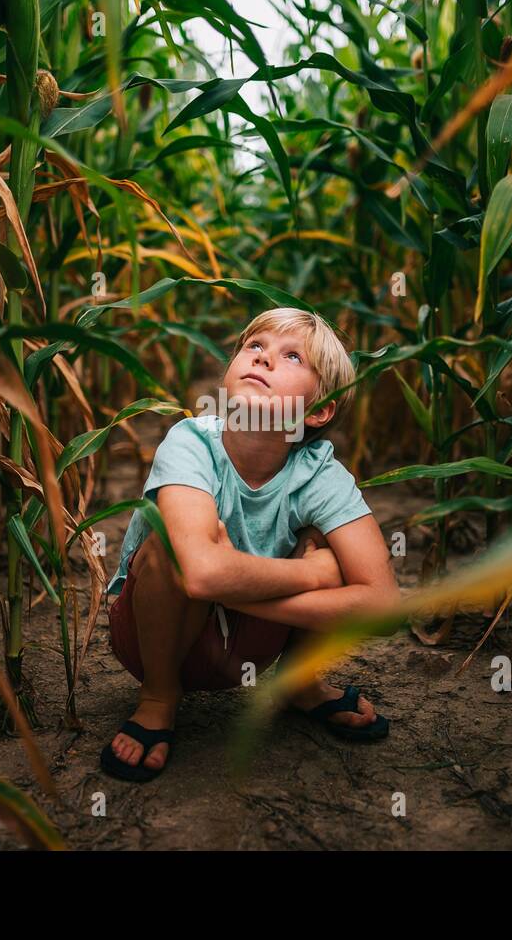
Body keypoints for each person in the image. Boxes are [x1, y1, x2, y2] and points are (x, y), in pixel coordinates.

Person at [100, 306, 402, 782]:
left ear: (319, 411)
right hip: (154, 640)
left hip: (250, 649)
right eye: (254, 346)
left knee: (329, 539)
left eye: (292, 357)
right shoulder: (190, 442)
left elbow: (384, 605)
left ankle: (298, 684)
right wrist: (315, 574)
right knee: (170, 545)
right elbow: (197, 571)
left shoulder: (319, 473)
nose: (262, 359)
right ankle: (159, 698)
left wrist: (225, 584)